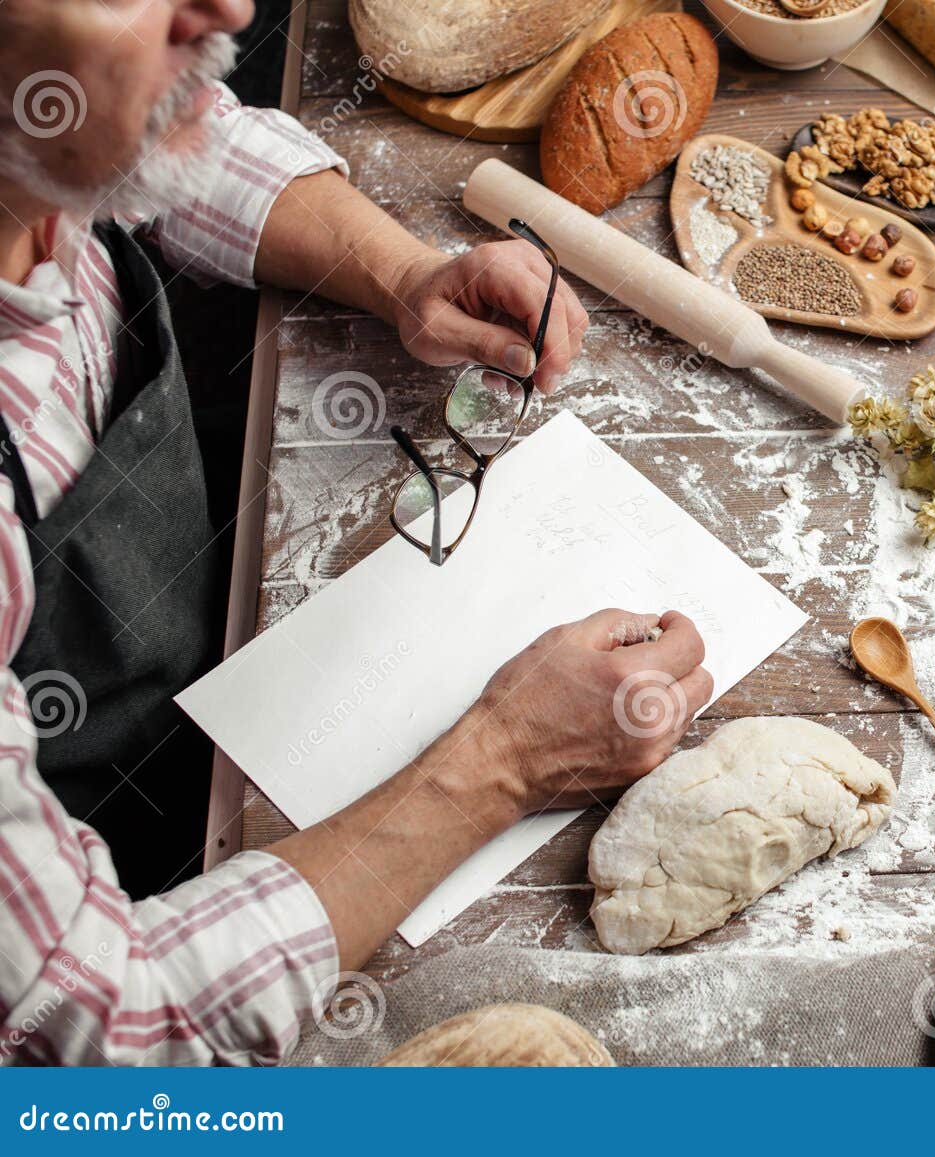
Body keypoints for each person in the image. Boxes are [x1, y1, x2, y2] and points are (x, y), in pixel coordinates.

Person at [0, 0, 711, 1064]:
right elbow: (106, 1030)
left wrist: (400, 274)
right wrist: (506, 759)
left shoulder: (42, 144)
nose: (231, 8)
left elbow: (175, 138)